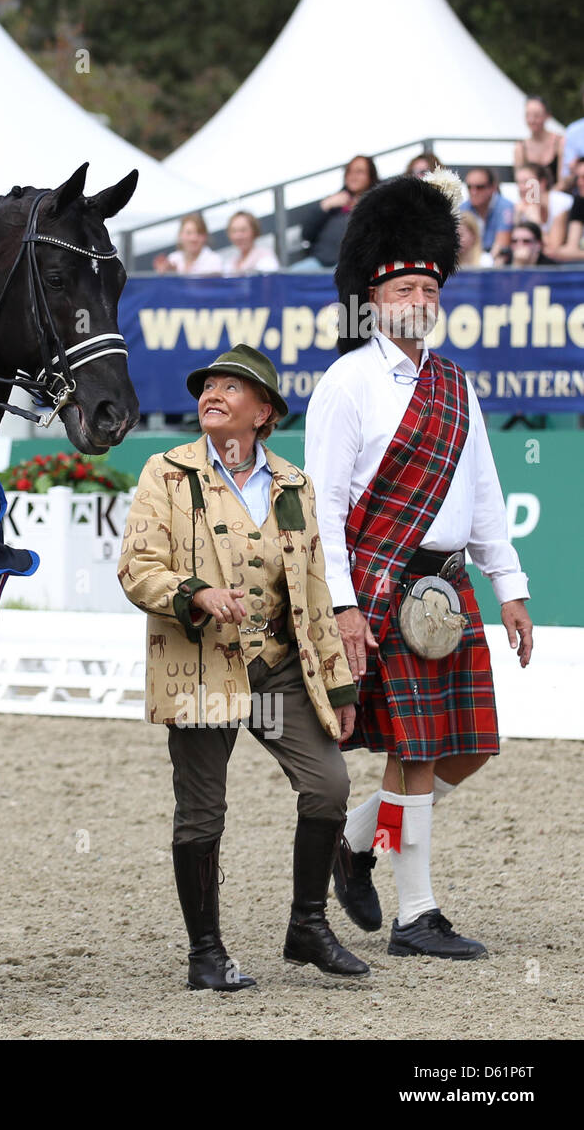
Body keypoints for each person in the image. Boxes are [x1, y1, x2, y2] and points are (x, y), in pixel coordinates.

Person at [305, 169, 533, 960]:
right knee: (417, 751)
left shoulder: (456, 387)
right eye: (400, 285)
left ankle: (357, 836)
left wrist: (511, 588)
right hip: (381, 584)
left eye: (424, 286)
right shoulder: (346, 383)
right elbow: (323, 508)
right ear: (372, 298)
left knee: (468, 748)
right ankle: (416, 915)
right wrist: (341, 605)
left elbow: (485, 495)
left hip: (450, 586)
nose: (414, 299)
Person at [118, 344, 366, 991]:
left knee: (329, 786)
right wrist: (196, 594)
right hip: (200, 664)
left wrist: (337, 683)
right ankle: (206, 952)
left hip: (280, 667)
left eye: (233, 387)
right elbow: (137, 569)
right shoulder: (164, 474)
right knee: (202, 812)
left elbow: (313, 589)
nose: (215, 393)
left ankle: (307, 925)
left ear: (263, 412)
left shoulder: (294, 485)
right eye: (210, 385)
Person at [290, 155, 378, 270]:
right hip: (319, 262)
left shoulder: (376, 205)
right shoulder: (333, 202)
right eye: (349, 171)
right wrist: (325, 205)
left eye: (359, 171)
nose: (353, 176)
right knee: (288, 276)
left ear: (370, 176)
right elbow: (306, 234)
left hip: (350, 266)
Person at [459, 166, 513, 259]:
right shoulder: (463, 209)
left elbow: (502, 245)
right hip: (470, 262)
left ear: (493, 187)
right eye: (469, 187)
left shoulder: (505, 208)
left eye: (479, 187)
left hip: (496, 263)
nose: (473, 191)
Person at [513, 96, 565, 185]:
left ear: (547, 116)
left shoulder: (560, 142)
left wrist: (548, 196)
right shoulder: (520, 147)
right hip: (531, 196)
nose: (532, 120)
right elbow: (521, 181)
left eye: (536, 115)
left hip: (558, 195)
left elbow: (564, 181)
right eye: (528, 115)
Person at [153, 213, 222, 274]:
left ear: (205, 236)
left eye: (199, 233)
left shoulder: (214, 261)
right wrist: (166, 274)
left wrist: (176, 275)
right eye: (188, 233)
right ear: (180, 235)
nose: (193, 238)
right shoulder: (173, 258)